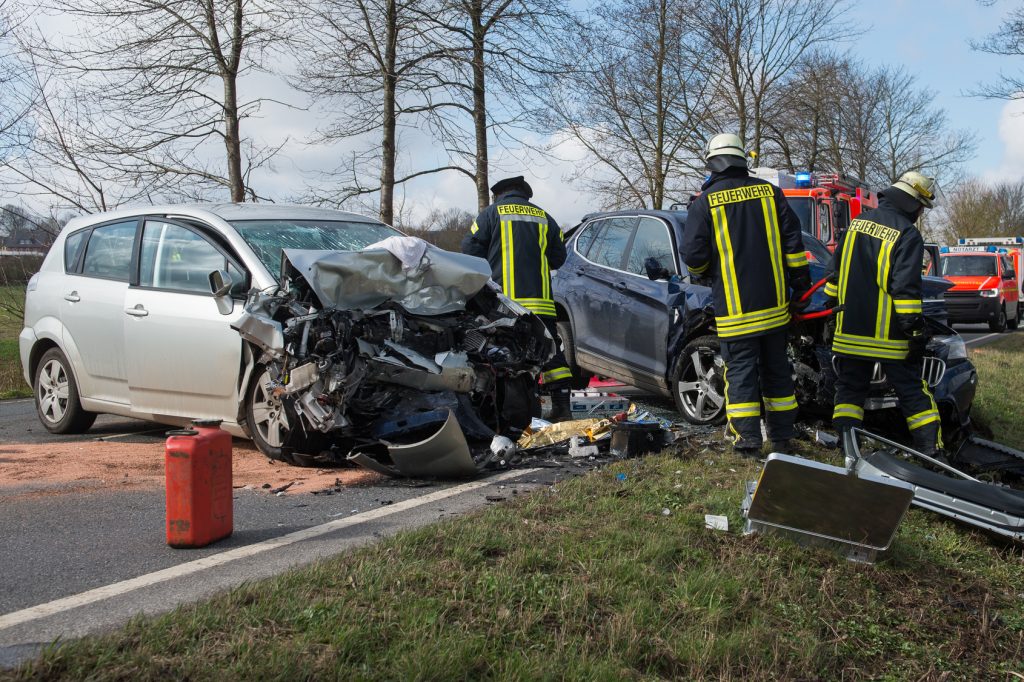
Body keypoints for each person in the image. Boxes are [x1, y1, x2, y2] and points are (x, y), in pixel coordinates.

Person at [681, 134, 811, 454]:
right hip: (775, 307)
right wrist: (800, 286)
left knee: (740, 374)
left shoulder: (705, 202)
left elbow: (693, 257)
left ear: (713, 163)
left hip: (735, 311)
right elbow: (794, 246)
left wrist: (707, 270)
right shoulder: (771, 193)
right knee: (777, 372)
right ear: (742, 159)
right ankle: (782, 438)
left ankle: (749, 442)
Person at [825, 170, 942, 455]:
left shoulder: (856, 225)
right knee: (912, 391)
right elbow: (905, 291)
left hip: (850, 332)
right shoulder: (908, 234)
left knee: (849, 392)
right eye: (921, 207)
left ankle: (848, 449)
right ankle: (932, 453)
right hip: (890, 337)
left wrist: (831, 316)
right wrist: (915, 332)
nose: (920, 213)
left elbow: (833, 278)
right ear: (911, 203)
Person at [461, 175, 574, 421]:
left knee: (502, 353)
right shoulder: (545, 217)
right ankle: (562, 408)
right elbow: (558, 258)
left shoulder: (490, 214)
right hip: (541, 304)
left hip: (504, 305)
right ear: (524, 193)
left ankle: (507, 412)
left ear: (500, 194)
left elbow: (469, 252)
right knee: (550, 352)